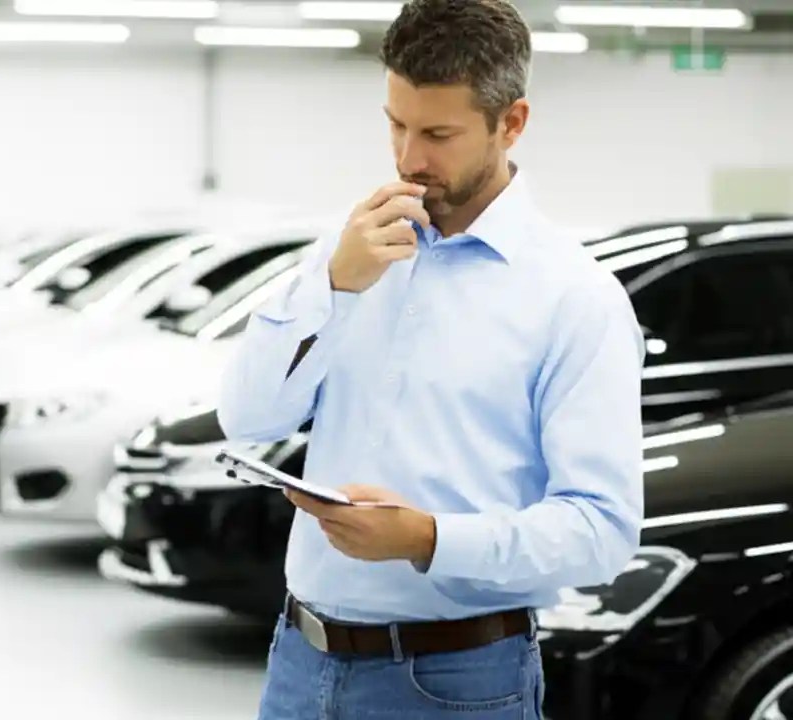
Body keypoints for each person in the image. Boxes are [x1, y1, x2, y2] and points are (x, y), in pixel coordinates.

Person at [217, 1, 645, 717]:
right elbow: (248, 417)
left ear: (511, 123)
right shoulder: (351, 253)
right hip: (299, 663)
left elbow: (600, 531)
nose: (409, 157)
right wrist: (333, 289)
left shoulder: (574, 299)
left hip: (456, 682)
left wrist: (428, 539)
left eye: (439, 133)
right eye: (396, 124)